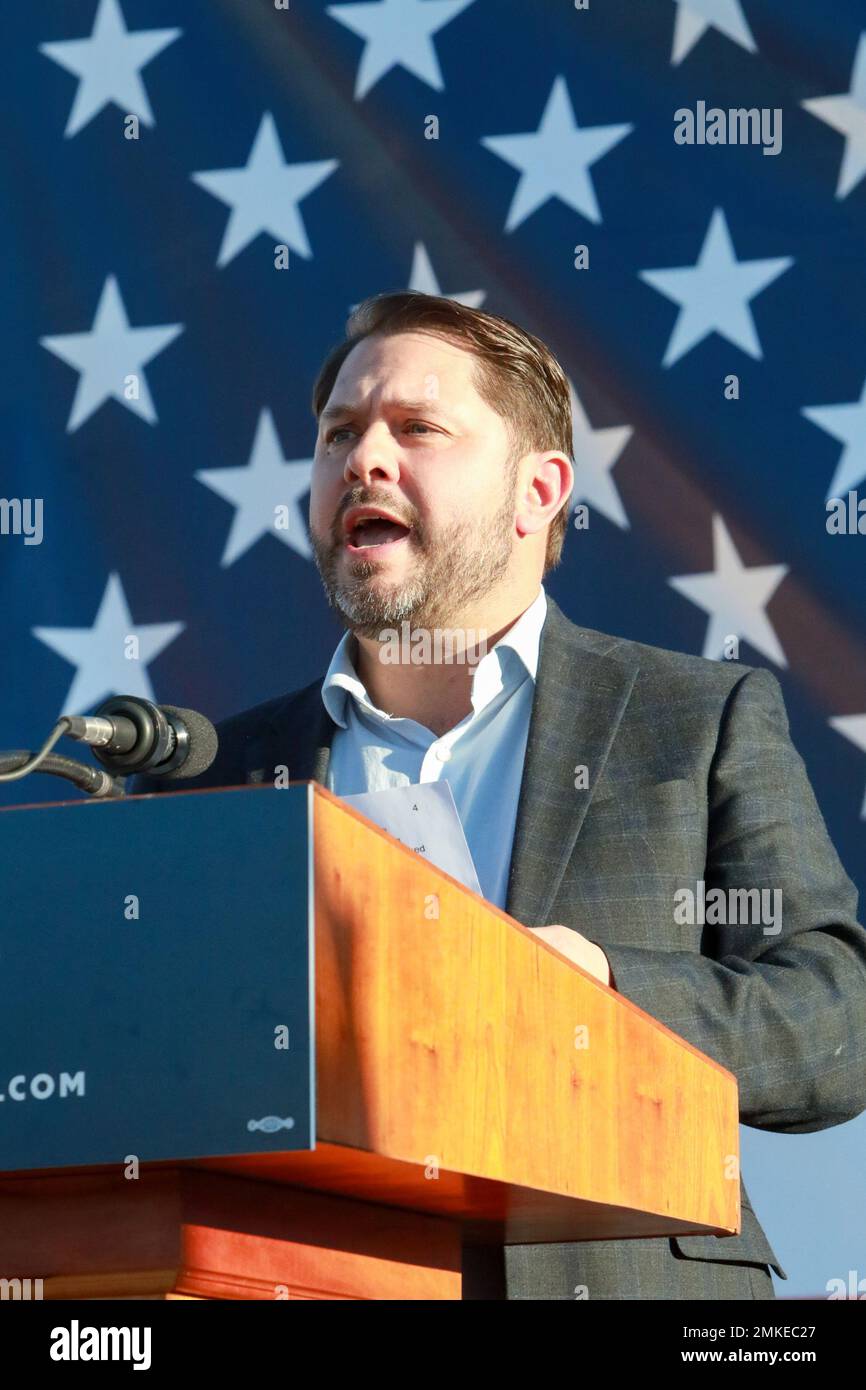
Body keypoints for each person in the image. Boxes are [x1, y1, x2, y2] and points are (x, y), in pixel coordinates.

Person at [135, 291, 866, 1300]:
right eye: (339, 432)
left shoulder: (692, 720)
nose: (364, 460)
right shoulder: (213, 770)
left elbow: (835, 1019)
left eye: (417, 428)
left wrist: (602, 991)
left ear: (537, 492)